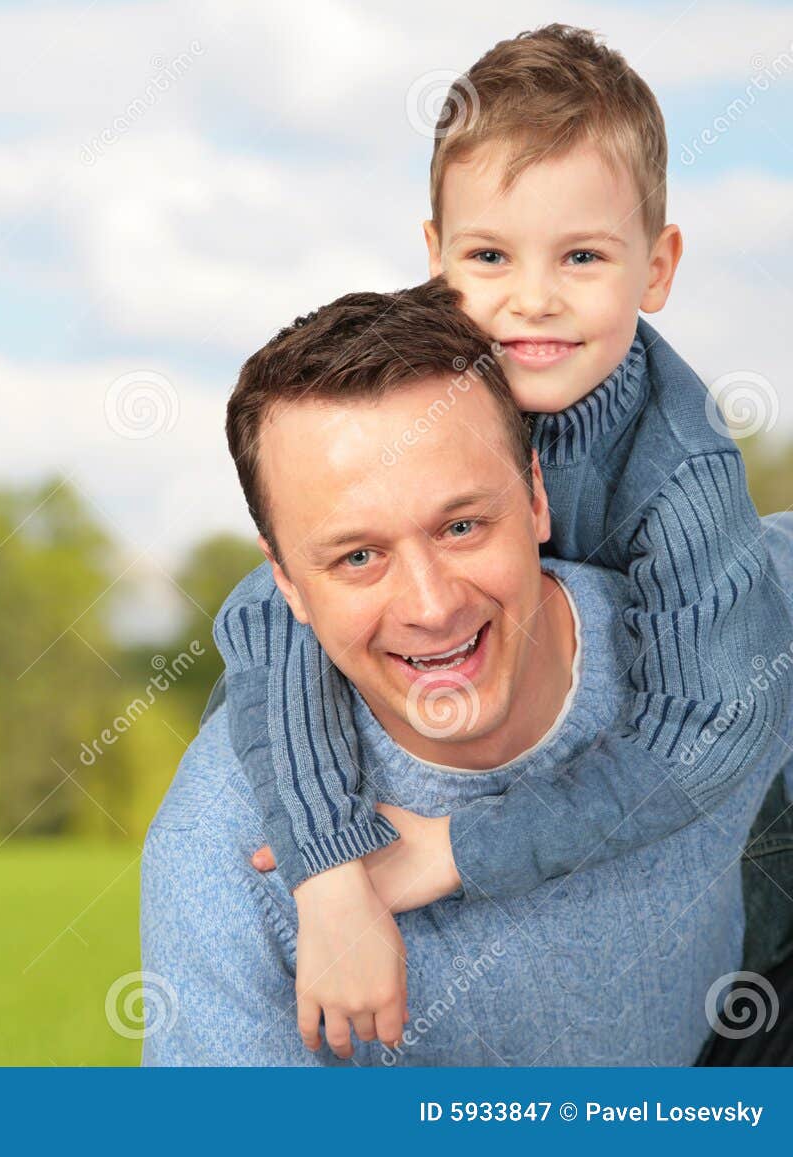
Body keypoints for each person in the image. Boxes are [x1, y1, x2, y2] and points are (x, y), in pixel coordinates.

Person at [210, 23, 793, 1058]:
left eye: (580, 256)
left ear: (655, 267)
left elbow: (706, 731)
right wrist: (329, 866)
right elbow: (271, 615)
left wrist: (456, 850)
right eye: (489, 255)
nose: (531, 299)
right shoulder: (415, 403)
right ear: (434, 257)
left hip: (746, 822)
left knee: (740, 989)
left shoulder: (681, 464)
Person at [140, 280, 793, 1065]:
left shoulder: (723, 646)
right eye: (357, 556)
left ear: (537, 498)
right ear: (284, 583)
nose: (431, 604)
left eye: (461, 524)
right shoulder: (221, 853)